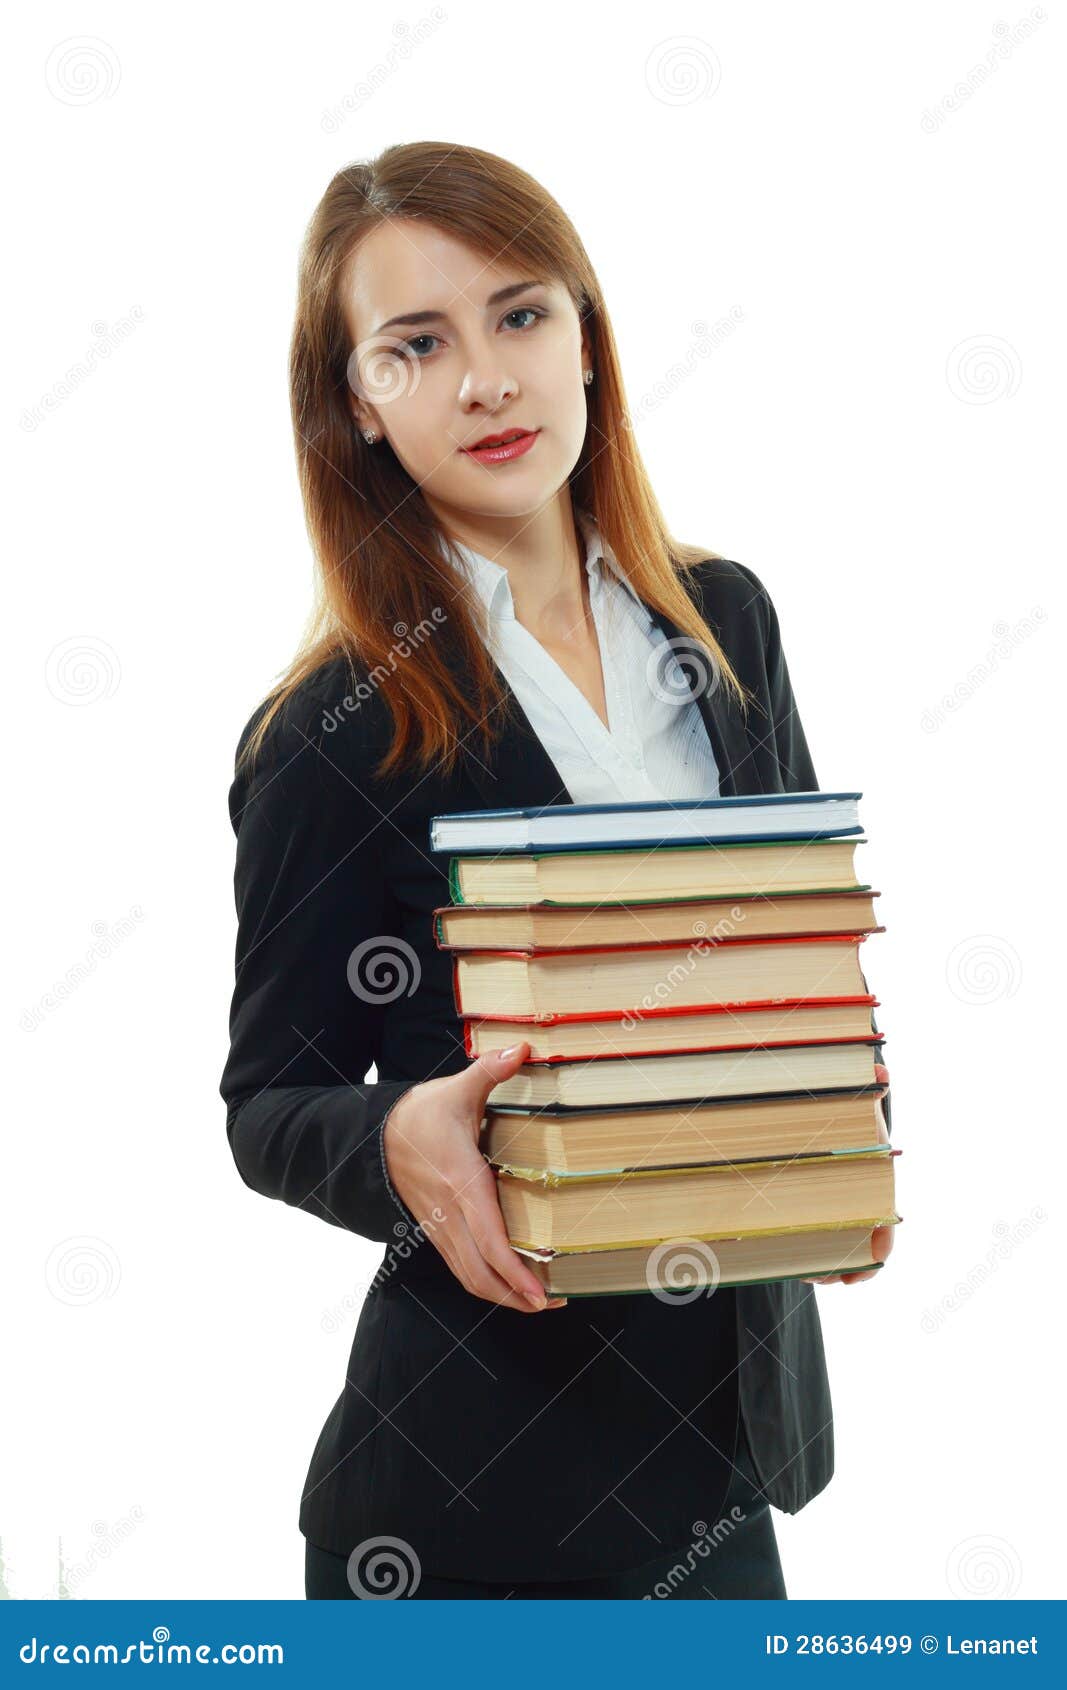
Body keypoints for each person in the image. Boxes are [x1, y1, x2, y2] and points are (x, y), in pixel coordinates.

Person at [219, 141, 894, 1601]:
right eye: (415, 345)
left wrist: (830, 1136)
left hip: (720, 1464)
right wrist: (396, 1136)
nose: (486, 379)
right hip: (464, 1509)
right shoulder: (333, 729)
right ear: (359, 402)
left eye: (521, 315)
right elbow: (267, 1103)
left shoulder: (724, 624)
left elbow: (799, 950)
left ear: (586, 336)